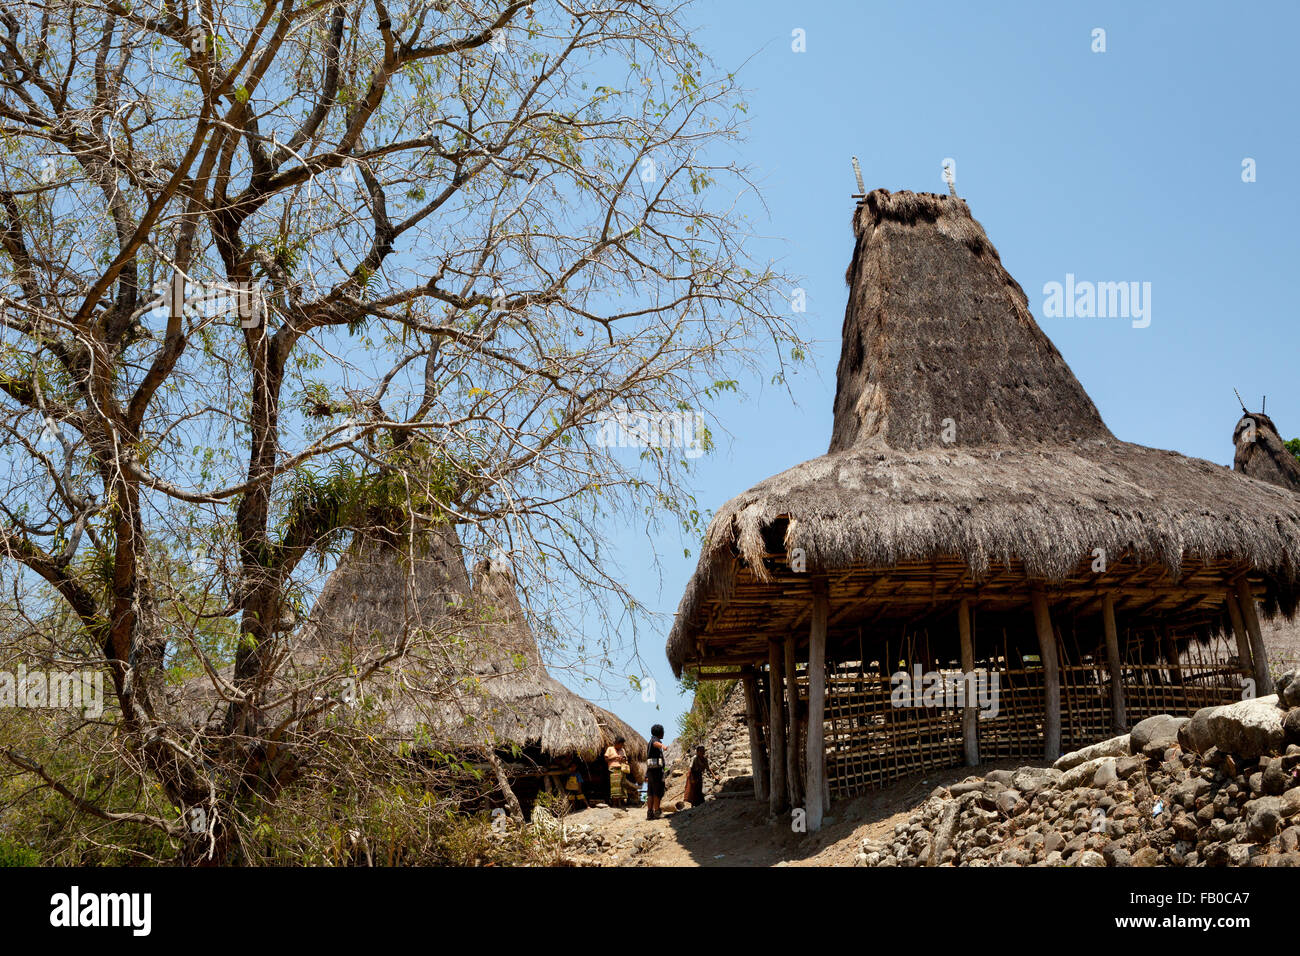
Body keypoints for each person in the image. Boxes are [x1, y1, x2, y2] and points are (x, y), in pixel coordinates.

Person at [604, 736, 633, 808]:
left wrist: (622, 759)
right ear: (617, 743)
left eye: (622, 745)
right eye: (620, 744)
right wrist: (614, 758)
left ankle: (620, 803)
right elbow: (606, 759)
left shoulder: (622, 750)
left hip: (621, 769)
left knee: (621, 786)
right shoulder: (610, 749)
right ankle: (614, 803)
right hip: (613, 769)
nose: (621, 746)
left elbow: (625, 759)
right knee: (614, 787)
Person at [645, 723, 667, 819]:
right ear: (660, 733)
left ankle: (650, 812)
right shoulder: (654, 740)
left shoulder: (650, 741)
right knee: (656, 792)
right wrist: (663, 746)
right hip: (656, 772)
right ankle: (657, 811)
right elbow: (656, 744)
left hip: (650, 771)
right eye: (663, 732)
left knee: (650, 792)